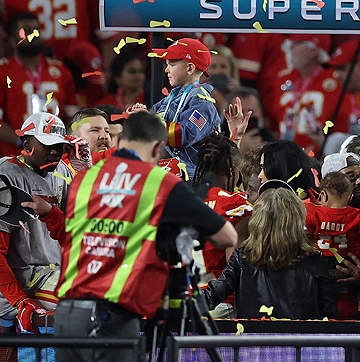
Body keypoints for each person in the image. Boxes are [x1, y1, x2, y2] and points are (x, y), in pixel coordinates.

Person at [36, 111, 237, 361]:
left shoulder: (84, 180)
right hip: (111, 319)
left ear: (120, 142)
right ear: (157, 148)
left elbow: (73, 235)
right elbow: (228, 237)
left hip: (67, 316)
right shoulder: (158, 182)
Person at [205, 185, 336, 320]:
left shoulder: (243, 256)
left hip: (254, 338)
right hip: (299, 339)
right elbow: (330, 314)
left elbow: (213, 294)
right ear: (297, 219)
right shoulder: (314, 259)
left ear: (258, 220)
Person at [0, 112, 74, 334]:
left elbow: (75, 236)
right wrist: (19, 301)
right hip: (17, 284)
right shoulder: (5, 176)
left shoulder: (62, 172)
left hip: (53, 273)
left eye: (60, 146)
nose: (55, 152)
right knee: (78, 308)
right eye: (48, 144)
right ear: (27, 142)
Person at [129, 38, 222, 173]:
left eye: (171, 64)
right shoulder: (169, 99)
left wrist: (148, 122)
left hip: (192, 178)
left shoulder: (202, 103)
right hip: (166, 171)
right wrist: (141, 116)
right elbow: (152, 123)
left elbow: (184, 135)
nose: (166, 69)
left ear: (190, 68)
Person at [0, 13, 76, 158]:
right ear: (10, 40)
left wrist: (60, 142)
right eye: (25, 31)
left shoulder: (61, 71)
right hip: (13, 159)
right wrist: (22, 141)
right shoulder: (2, 71)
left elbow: (72, 117)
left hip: (54, 157)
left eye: (36, 30)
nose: (33, 34)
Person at [305, 171, 360, 318]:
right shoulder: (358, 216)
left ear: (324, 195)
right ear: (350, 196)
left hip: (322, 261)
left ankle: (327, 315)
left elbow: (306, 237)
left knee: (323, 288)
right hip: (350, 260)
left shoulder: (314, 215)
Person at [193, 132, 251, 281]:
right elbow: (236, 268)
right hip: (221, 300)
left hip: (189, 296)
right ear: (232, 169)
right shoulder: (236, 205)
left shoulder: (185, 200)